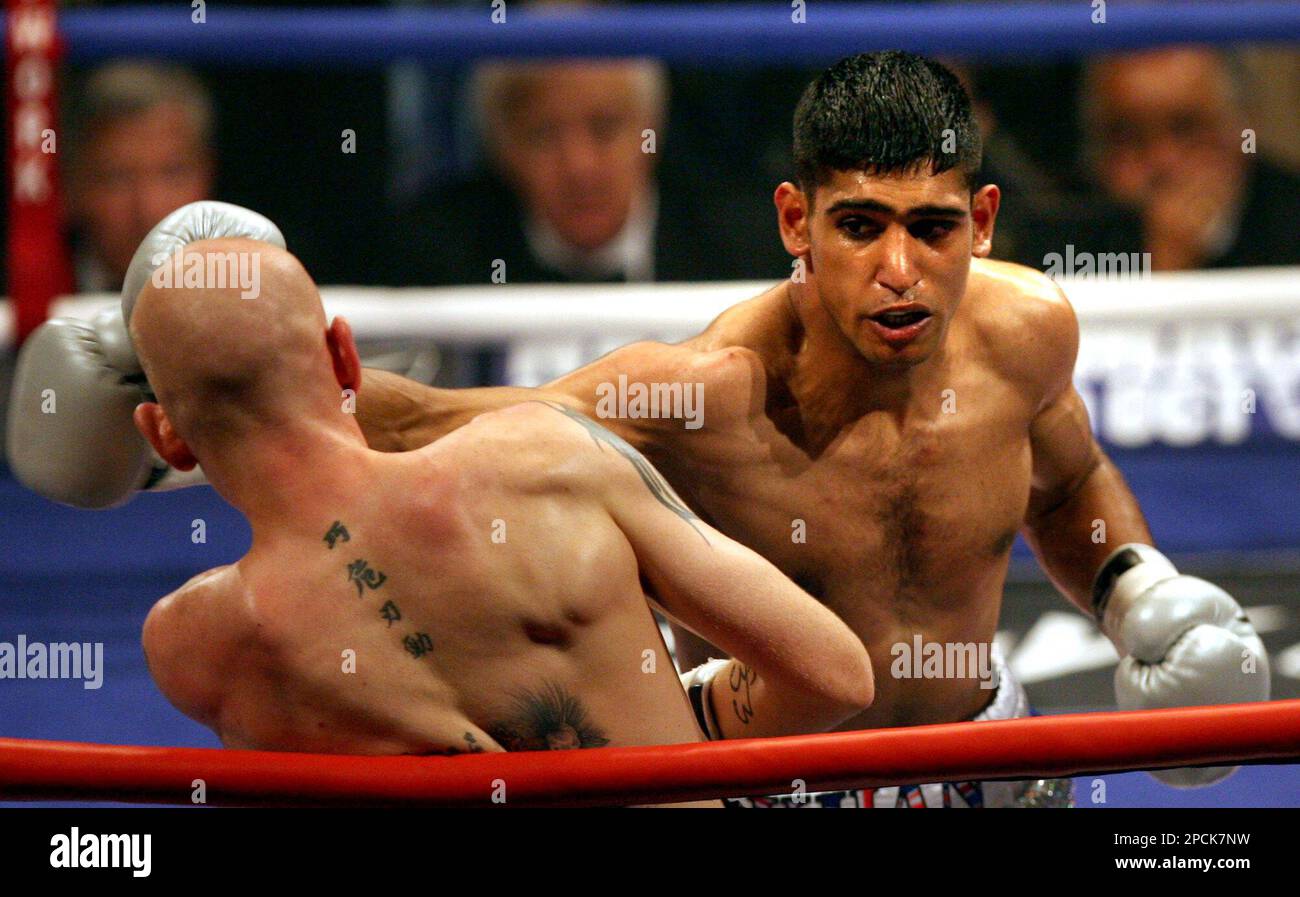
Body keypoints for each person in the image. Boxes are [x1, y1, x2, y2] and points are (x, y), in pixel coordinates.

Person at [10, 53, 1271, 807]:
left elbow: (1066, 480)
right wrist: (223, 385)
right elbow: (456, 426)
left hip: (987, 761)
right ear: (793, 221)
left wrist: (1133, 587)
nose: (899, 270)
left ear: (983, 222)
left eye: (931, 228)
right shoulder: (707, 389)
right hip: (795, 786)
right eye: (858, 226)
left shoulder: (1030, 333)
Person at [123, 226, 872, 806]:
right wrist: (678, 723)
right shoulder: (543, 459)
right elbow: (833, 673)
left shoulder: (195, 646)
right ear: (346, 358)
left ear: (165, 437)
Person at [1082, 46, 1300, 270]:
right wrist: (1166, 263)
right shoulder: (1071, 232)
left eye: (1186, 128)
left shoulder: (1291, 218)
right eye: (1129, 136)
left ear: (1241, 125)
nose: (1163, 160)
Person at [65, 60, 216, 291]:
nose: (149, 209)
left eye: (173, 173)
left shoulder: (253, 294)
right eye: (117, 178)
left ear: (207, 174)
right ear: (73, 185)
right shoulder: (19, 297)